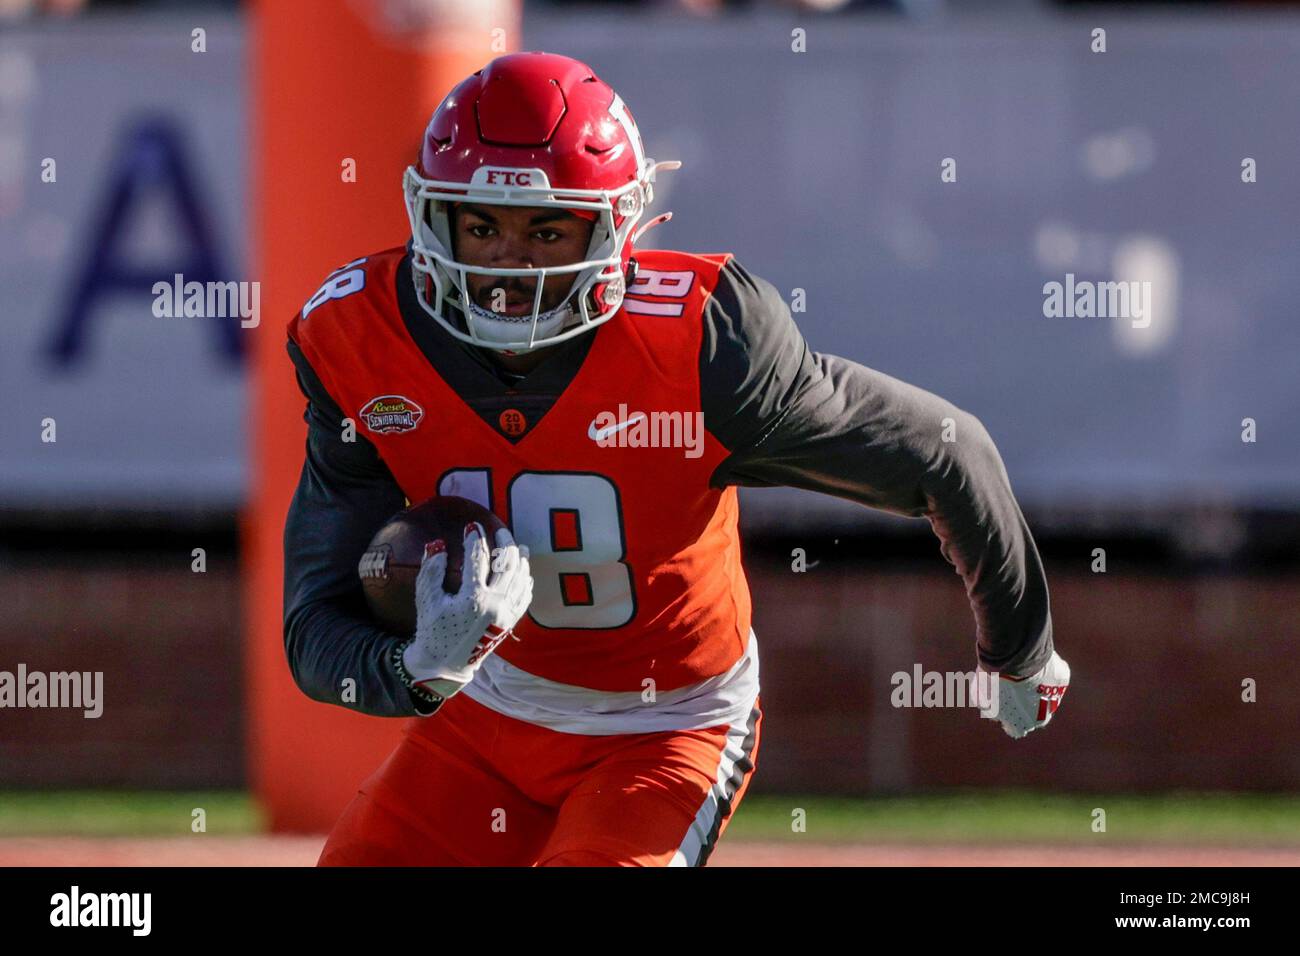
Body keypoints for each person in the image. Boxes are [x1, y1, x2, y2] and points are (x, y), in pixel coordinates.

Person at [283, 50, 1070, 867]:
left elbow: (947, 451)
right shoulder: (360, 340)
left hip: (663, 730)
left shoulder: (703, 349)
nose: (508, 269)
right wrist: (415, 667)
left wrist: (1020, 649)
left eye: (547, 230)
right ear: (433, 219)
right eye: (481, 227)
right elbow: (315, 625)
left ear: (618, 225)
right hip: (485, 717)